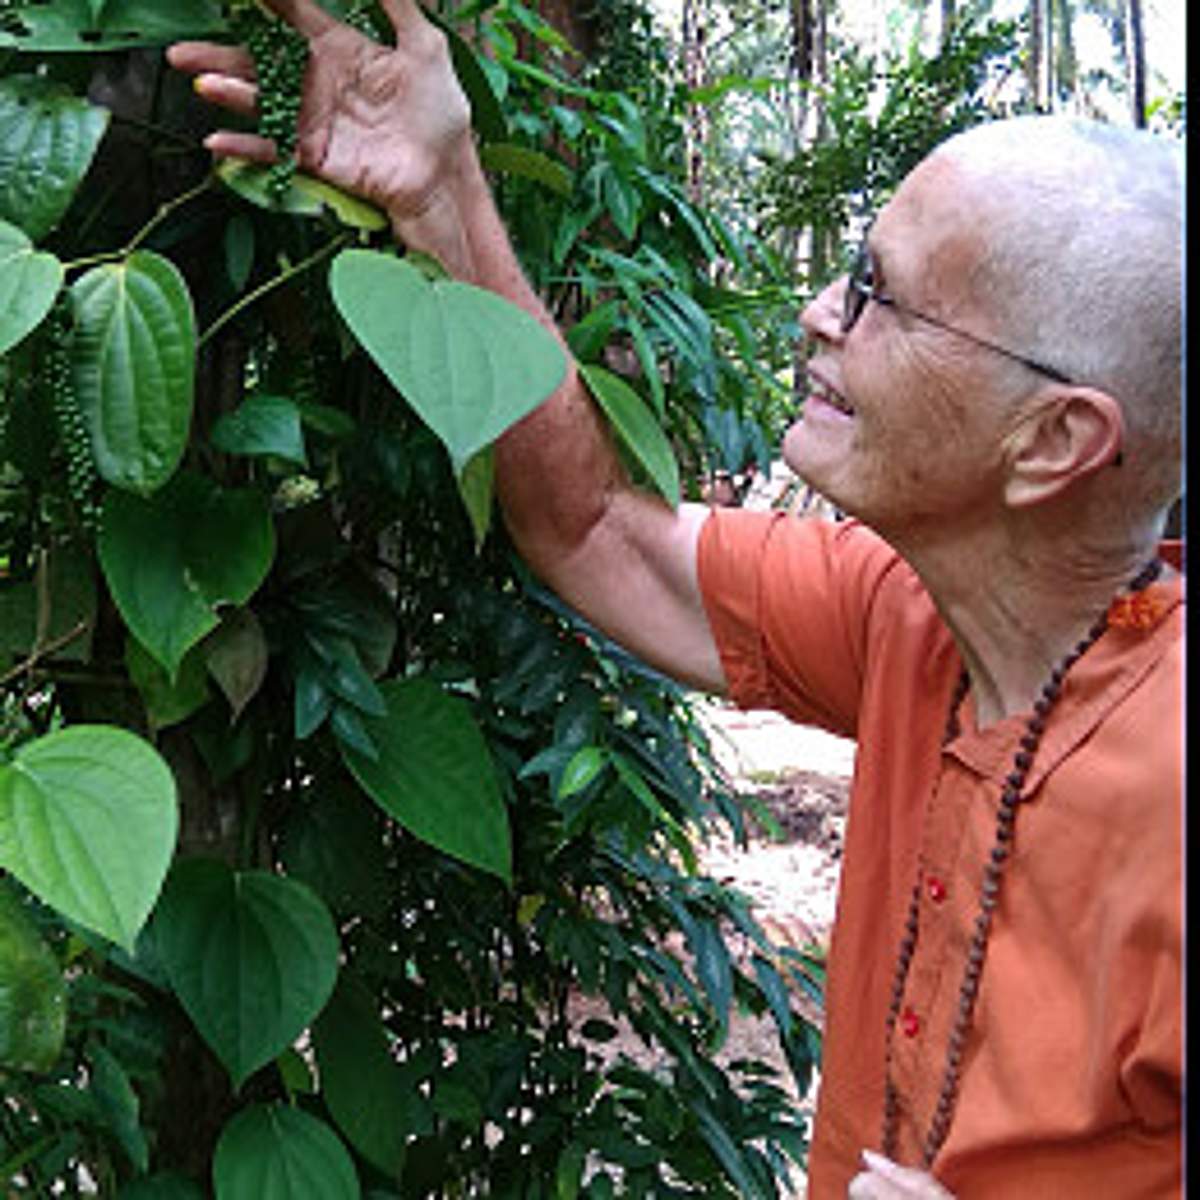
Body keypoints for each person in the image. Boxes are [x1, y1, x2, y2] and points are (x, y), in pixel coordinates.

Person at [169, 2, 1184, 1195]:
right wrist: (442, 193)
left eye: (877, 295)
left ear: (1054, 439)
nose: (818, 315)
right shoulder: (907, 617)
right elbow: (599, 528)